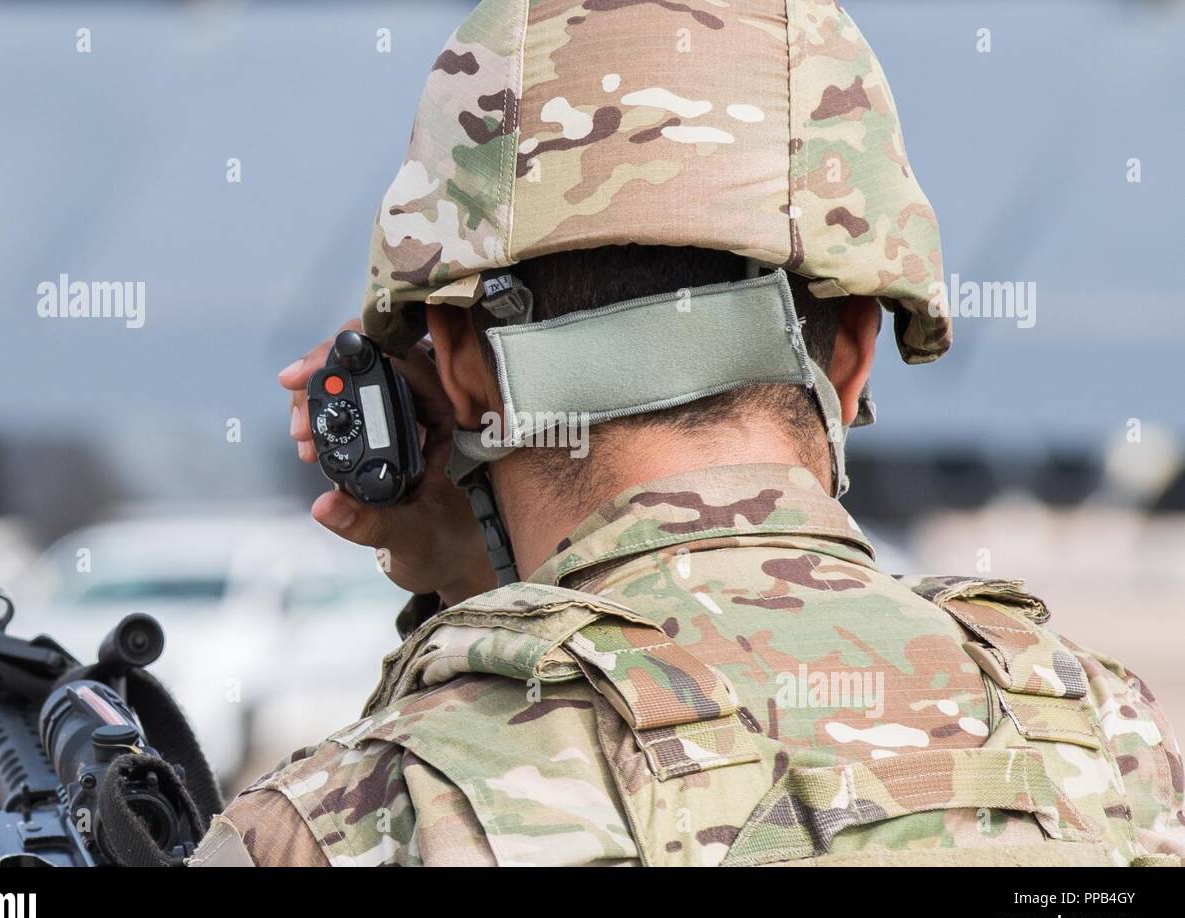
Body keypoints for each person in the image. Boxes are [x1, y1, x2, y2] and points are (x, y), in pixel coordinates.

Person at [190, 0, 1184, 867]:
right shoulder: (1107, 748)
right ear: (852, 356)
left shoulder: (347, 820)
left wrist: (474, 590)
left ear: (453, 363)